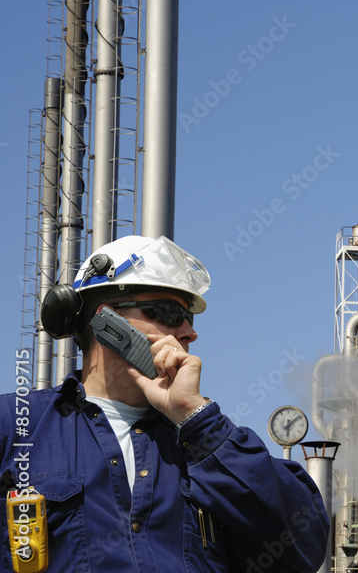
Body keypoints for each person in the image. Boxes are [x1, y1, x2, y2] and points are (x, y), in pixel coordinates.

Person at [0, 235, 330, 572]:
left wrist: (196, 420)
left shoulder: (207, 445)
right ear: (107, 322)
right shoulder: (15, 425)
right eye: (169, 312)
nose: (189, 332)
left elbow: (305, 547)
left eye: (190, 317)